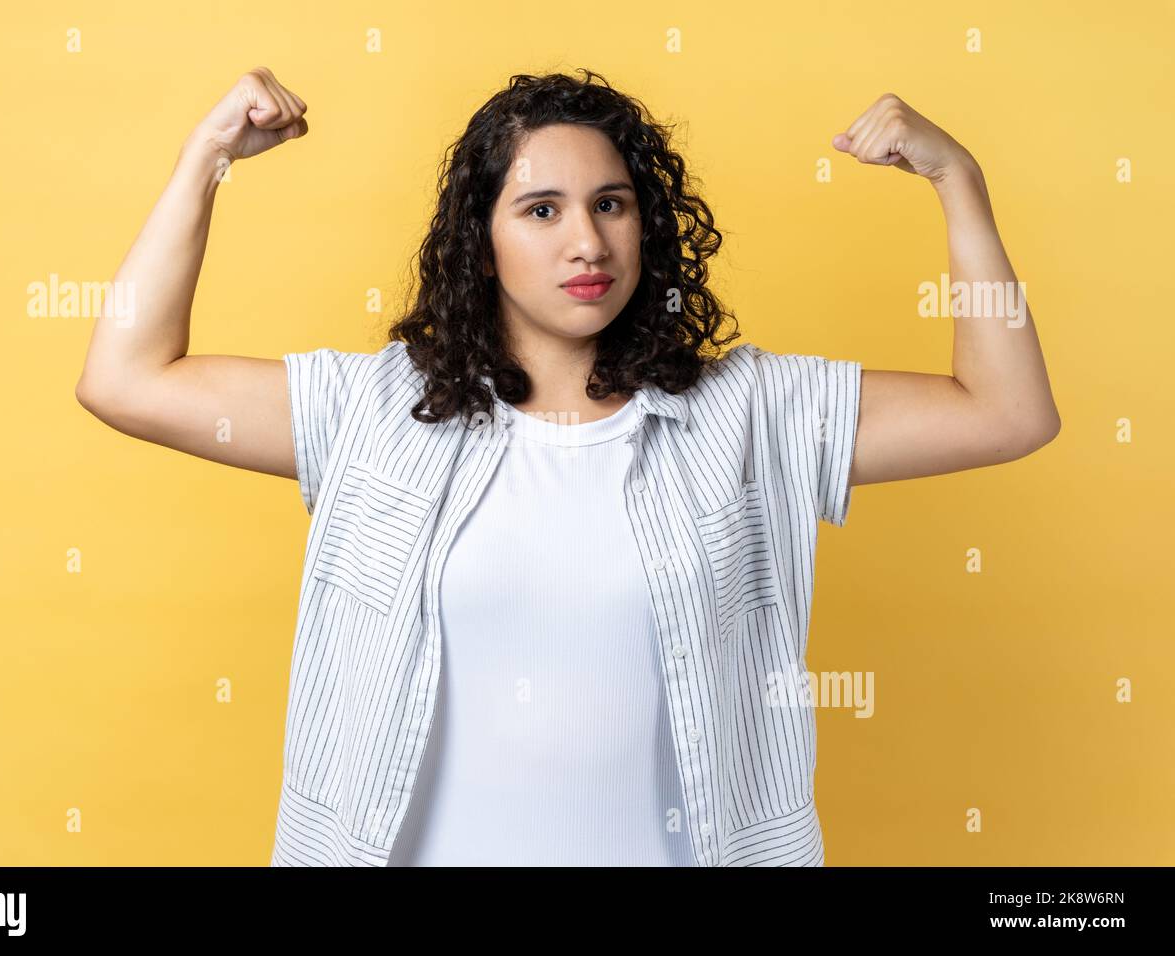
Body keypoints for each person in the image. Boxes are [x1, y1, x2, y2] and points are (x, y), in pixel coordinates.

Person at [75, 67, 1060, 866]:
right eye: (540, 210)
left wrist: (955, 179)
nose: (586, 241)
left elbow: (1006, 411)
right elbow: (126, 375)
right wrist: (207, 156)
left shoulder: (749, 415)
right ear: (483, 240)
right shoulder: (374, 411)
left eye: (611, 204)